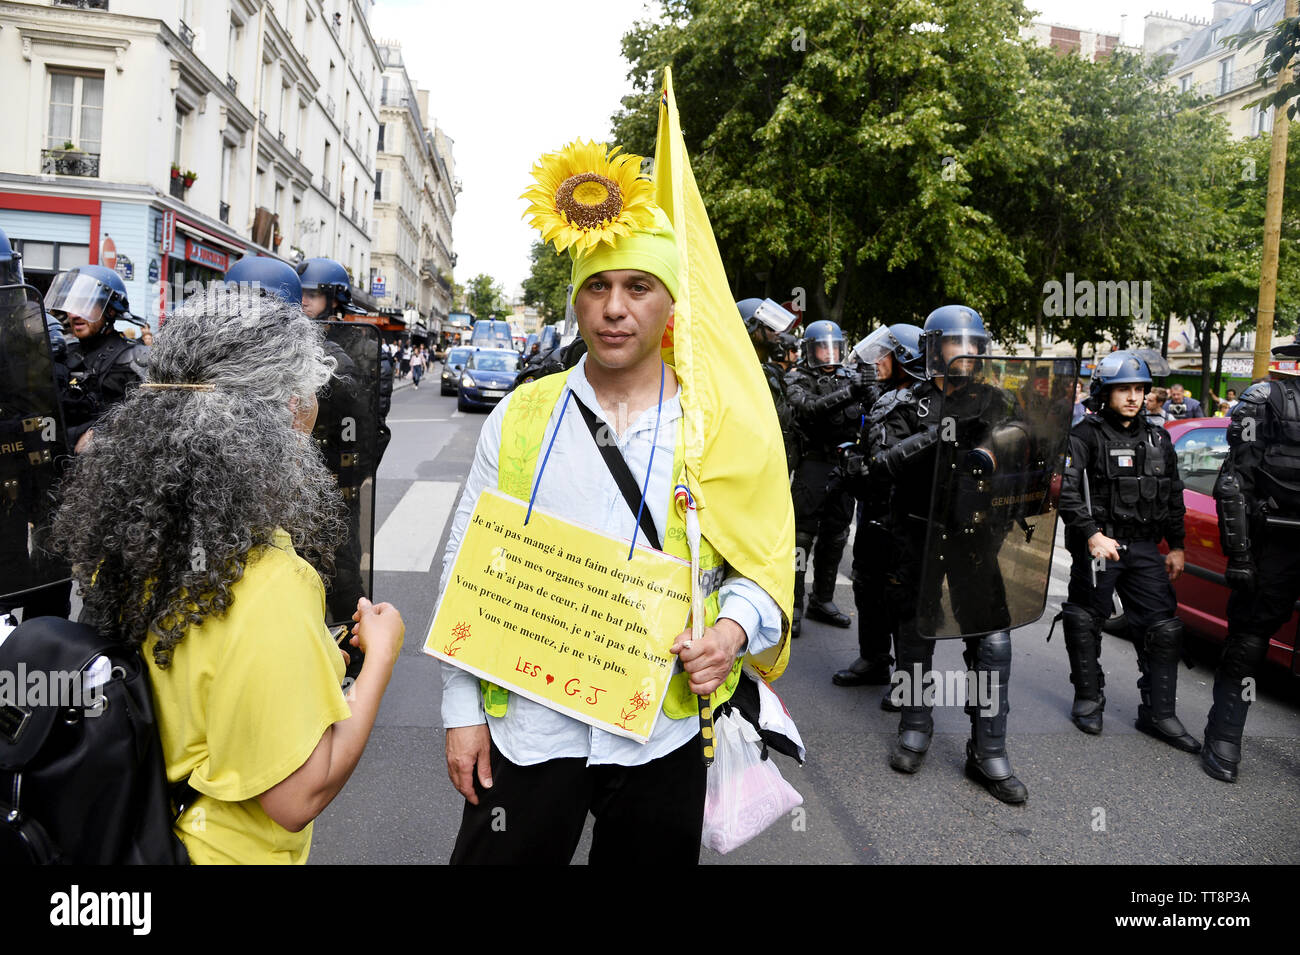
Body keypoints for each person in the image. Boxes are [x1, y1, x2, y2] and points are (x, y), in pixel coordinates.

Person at [440, 139, 788, 864]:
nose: (616, 309)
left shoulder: (715, 427)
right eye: (598, 287)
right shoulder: (522, 415)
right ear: (576, 299)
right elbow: (465, 562)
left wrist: (729, 634)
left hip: (658, 736)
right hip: (532, 728)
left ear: (669, 304)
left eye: (638, 286)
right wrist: (460, 711)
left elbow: (762, 562)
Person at [48, 285, 404, 863]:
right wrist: (381, 661)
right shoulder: (269, 578)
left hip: (133, 831)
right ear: (288, 410)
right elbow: (296, 796)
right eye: (312, 392)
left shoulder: (140, 537)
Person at [869, 304, 1031, 803]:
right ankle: (915, 726)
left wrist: (1007, 452)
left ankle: (988, 749)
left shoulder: (1001, 403)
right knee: (917, 633)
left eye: (973, 344)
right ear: (934, 348)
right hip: (917, 534)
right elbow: (879, 467)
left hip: (977, 539)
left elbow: (1030, 456)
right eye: (955, 343)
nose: (967, 352)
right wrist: (934, 437)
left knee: (993, 643)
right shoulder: (903, 405)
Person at [1056, 351, 1197, 750]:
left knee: (1163, 628)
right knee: (1085, 621)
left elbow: (1172, 495)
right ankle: (1088, 699)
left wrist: (1179, 546)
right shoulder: (1084, 435)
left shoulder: (1158, 437)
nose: (1134, 397)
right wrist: (1090, 534)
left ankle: (1159, 714)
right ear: (1106, 391)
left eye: (1139, 389)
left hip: (1146, 548)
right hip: (1101, 546)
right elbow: (1067, 493)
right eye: (1124, 389)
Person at [1202, 342, 1300, 782]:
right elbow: (1234, 482)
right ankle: (1224, 733)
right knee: (1249, 638)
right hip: (1274, 540)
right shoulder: (1263, 401)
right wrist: (1239, 554)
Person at [835, 323, 924, 691]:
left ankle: (908, 683)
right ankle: (873, 659)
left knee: (900, 594)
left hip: (901, 514)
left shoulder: (921, 401)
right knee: (867, 585)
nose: (877, 361)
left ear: (904, 359)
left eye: (884, 355)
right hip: (874, 510)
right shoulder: (886, 393)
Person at [785, 320, 872, 635]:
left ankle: (822, 599)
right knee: (801, 538)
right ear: (810, 350)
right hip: (813, 464)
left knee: (836, 535)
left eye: (834, 347)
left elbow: (874, 410)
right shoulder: (797, 379)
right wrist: (853, 391)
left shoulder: (852, 377)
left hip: (844, 465)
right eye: (822, 347)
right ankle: (792, 603)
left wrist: (872, 386)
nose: (829, 353)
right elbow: (809, 409)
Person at [44, 264, 149, 453]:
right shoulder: (63, 352)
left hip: (106, 468)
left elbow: (148, 419)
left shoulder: (134, 358)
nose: (74, 314)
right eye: (72, 304)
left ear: (109, 310)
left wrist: (102, 433)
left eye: (86, 304)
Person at [738, 297, 800, 473]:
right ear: (750, 328)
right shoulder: (737, 372)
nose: (778, 333)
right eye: (770, 326)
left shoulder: (769, 372)